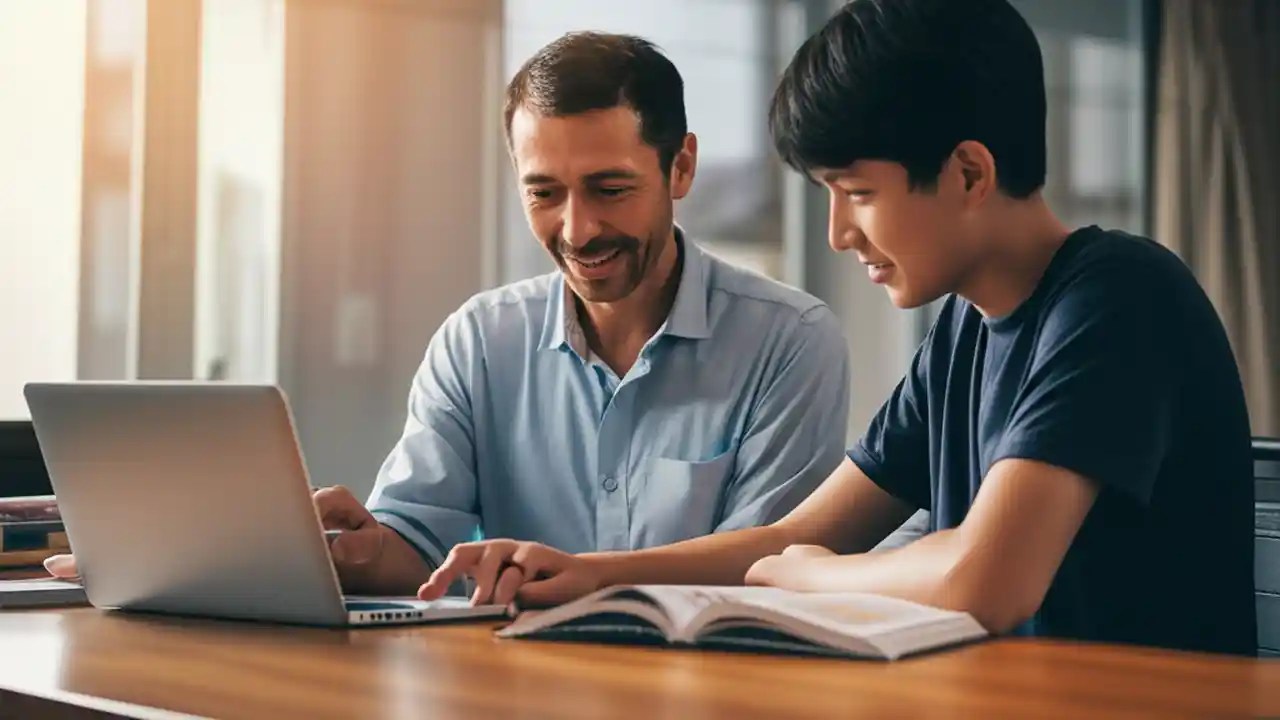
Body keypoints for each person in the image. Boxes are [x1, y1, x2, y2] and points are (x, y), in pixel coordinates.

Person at [420, 0, 1256, 655]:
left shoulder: (1117, 298)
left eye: (855, 192)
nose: (837, 234)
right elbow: (788, 537)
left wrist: (814, 579)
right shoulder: (964, 334)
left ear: (969, 172)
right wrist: (588, 576)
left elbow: (986, 579)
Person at [45, 32, 854, 597]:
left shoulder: (789, 341)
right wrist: (329, 549)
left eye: (609, 189)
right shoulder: (479, 340)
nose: (577, 230)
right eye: (543, 193)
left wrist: (579, 577)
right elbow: (415, 550)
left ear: (680, 167)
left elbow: (767, 571)